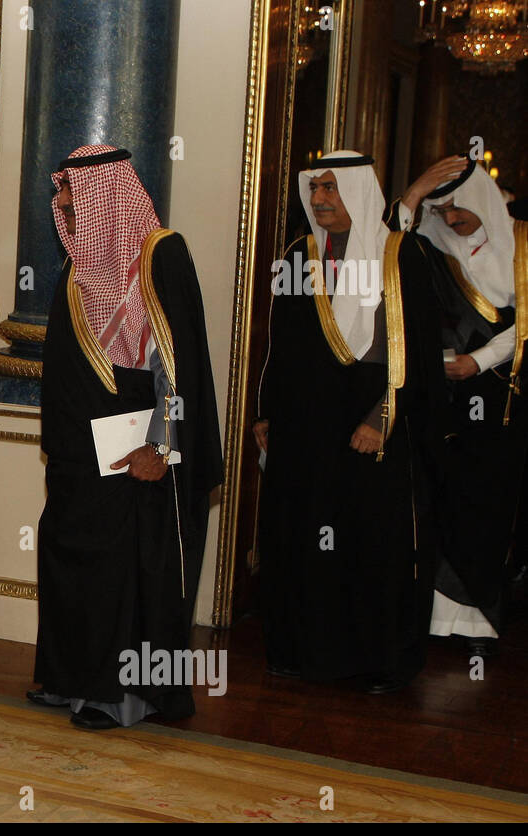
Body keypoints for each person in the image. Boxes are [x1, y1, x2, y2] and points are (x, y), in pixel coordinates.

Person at [29, 145, 223, 730]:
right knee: (73, 562)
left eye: (69, 193)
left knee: (129, 573)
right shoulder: (75, 274)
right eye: (60, 192)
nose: (60, 203)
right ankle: (72, 680)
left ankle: (121, 698)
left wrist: (163, 445)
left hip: (141, 453)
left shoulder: (162, 256)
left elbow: (177, 362)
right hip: (80, 459)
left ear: (102, 196)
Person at [255, 150, 445, 693]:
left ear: (358, 192)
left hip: (374, 423)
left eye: (331, 190)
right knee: (302, 532)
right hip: (306, 426)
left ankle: (375, 661)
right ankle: (301, 649)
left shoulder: (402, 255)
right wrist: (267, 411)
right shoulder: (300, 255)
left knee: (370, 542)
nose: (319, 201)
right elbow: (280, 345)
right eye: (314, 190)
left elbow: (415, 352)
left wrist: (383, 415)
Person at [392, 156, 527, 657]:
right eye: (440, 209)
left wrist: (481, 359)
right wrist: (417, 189)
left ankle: (476, 624)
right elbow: (386, 251)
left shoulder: (522, 244)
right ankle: (429, 619)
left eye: (457, 208)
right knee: (435, 501)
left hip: (497, 398)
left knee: (483, 506)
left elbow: (527, 321)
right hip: (438, 398)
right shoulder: (428, 244)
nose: (451, 220)